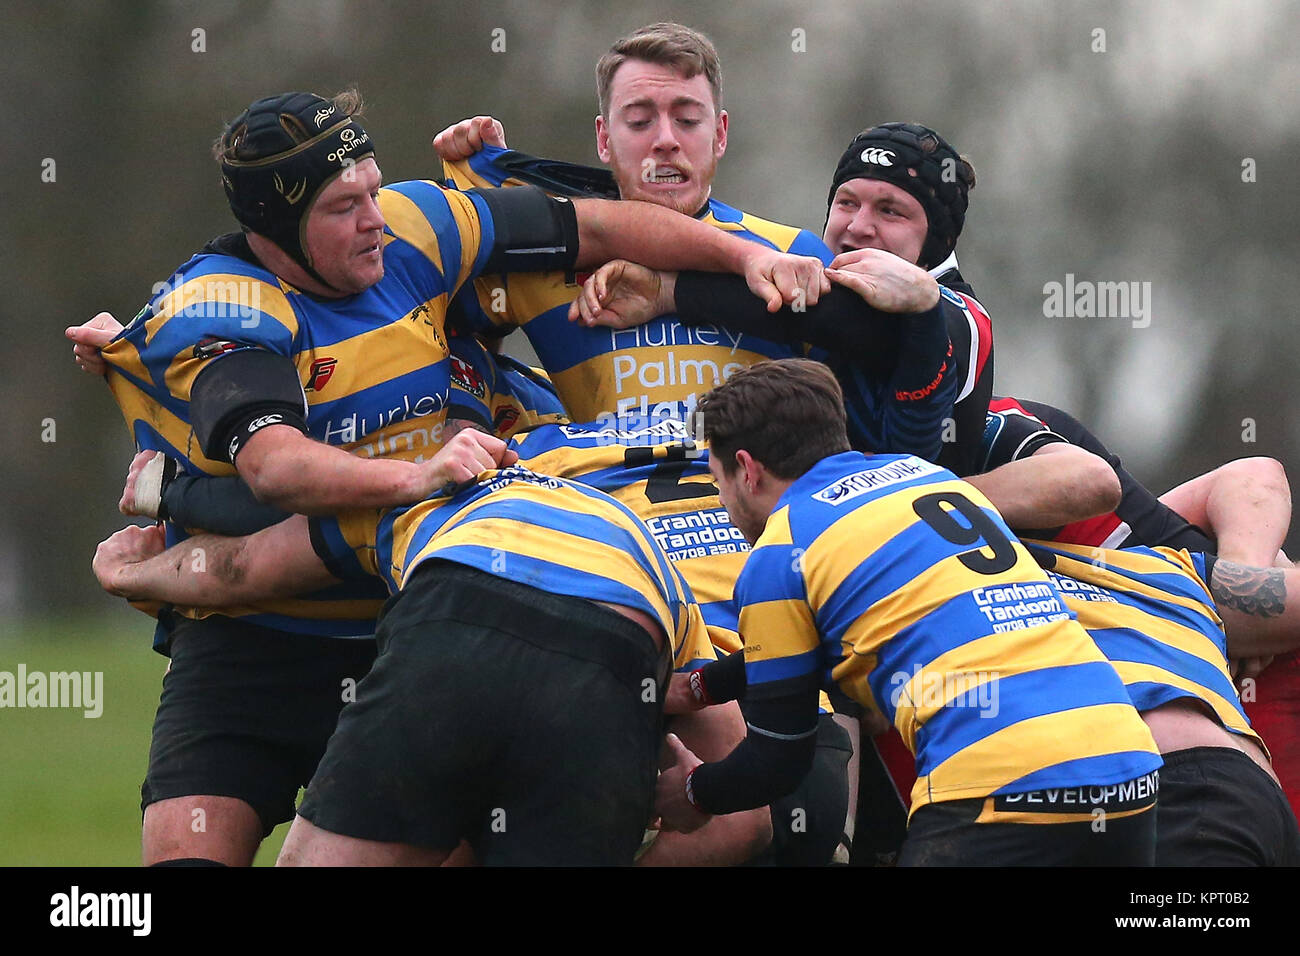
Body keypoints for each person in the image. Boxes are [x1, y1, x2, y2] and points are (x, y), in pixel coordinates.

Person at [63, 87, 824, 867]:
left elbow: (593, 223)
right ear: (274, 230)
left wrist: (747, 256)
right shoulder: (225, 306)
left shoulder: (422, 236)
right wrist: (415, 476)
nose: (376, 220)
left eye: (373, 187)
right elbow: (274, 469)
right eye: (343, 207)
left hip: (414, 623)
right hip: (257, 638)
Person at [92, 440, 722, 866]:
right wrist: (683, 792)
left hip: (454, 619)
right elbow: (690, 706)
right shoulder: (645, 549)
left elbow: (243, 568)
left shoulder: (415, 491)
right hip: (616, 649)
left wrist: (130, 576)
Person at [657, 359, 1163, 866]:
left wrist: (696, 792)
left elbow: (779, 758)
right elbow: (798, 654)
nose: (721, 500)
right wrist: (699, 687)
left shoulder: (780, 548)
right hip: (1126, 768)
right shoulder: (927, 478)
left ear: (746, 469)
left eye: (716, 480)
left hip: (998, 786)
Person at [1025, 539, 1300, 865]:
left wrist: (1252, 562)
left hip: (1179, 800)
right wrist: (1262, 567)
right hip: (1247, 801)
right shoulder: (1158, 564)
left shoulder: (968, 578)